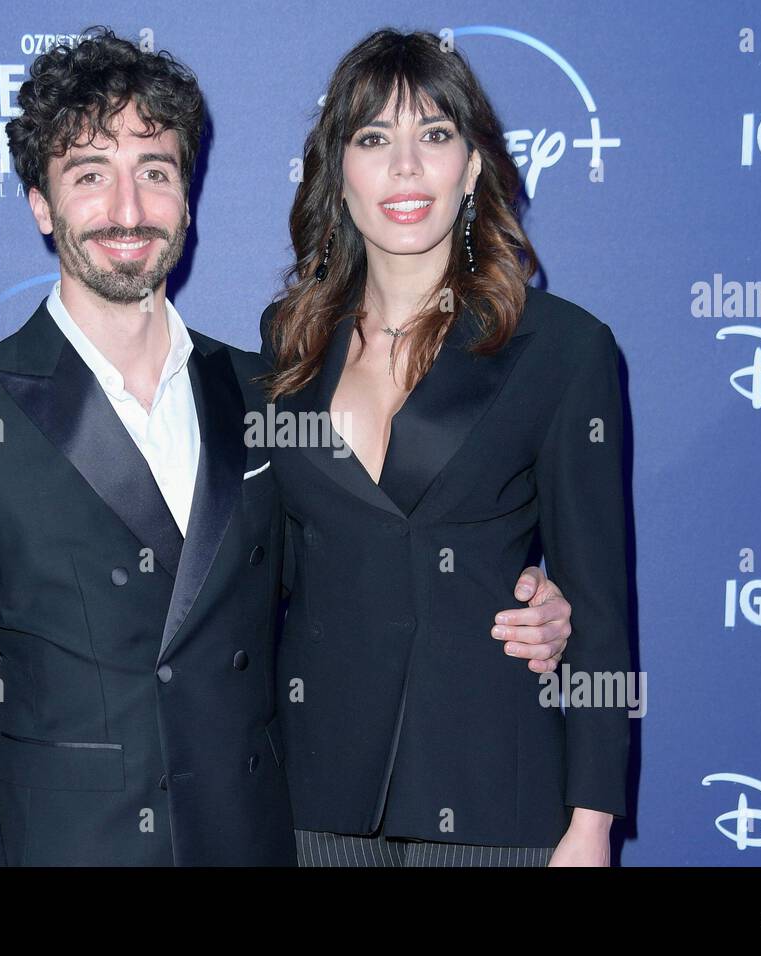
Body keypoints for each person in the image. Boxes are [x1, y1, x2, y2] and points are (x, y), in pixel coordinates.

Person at [0, 26, 574, 866]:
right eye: (89, 176)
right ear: (41, 203)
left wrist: (531, 601)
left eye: (155, 173)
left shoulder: (262, 389)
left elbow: (359, 563)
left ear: (188, 194)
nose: (128, 211)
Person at [259, 29, 633, 866]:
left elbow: (600, 610)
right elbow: (266, 567)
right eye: (372, 138)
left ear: (471, 170)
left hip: (496, 796)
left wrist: (592, 824)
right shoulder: (288, 346)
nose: (404, 169)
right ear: (338, 174)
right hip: (313, 804)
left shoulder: (563, 349)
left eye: (434, 135)